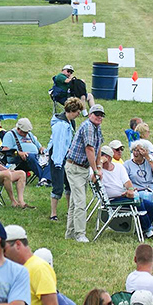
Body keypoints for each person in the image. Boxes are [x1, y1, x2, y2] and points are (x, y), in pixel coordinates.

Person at [99, 145, 153, 240]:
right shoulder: (97, 169)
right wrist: (100, 164)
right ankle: (149, 232)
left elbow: (127, 182)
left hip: (123, 196)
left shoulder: (119, 167)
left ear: (109, 157)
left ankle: (142, 229)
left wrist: (130, 189)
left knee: (151, 206)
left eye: (102, 155)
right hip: (112, 200)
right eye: (99, 155)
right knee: (138, 202)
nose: (99, 157)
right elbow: (95, 178)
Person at [64, 104, 105, 243]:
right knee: (81, 202)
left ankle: (70, 233)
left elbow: (98, 149)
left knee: (75, 203)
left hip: (82, 168)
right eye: (96, 114)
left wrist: (98, 167)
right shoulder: (88, 126)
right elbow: (89, 149)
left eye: (101, 115)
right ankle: (80, 234)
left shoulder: (97, 128)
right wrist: (95, 170)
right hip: (75, 167)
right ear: (89, 115)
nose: (99, 117)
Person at [47, 98, 84, 221]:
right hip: (57, 157)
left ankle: (70, 211)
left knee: (69, 184)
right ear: (72, 110)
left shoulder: (70, 122)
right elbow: (58, 144)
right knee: (58, 186)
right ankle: (53, 213)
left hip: (68, 157)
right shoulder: (60, 125)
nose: (79, 115)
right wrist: (58, 162)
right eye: (78, 112)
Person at [1, 118, 51, 186]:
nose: (26, 134)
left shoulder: (29, 134)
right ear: (18, 128)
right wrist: (19, 153)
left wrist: (42, 149)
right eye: (24, 132)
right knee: (30, 156)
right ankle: (45, 179)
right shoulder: (10, 135)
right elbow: (5, 151)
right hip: (20, 160)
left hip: (35, 157)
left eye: (27, 132)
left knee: (51, 157)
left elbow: (40, 147)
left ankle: (44, 179)